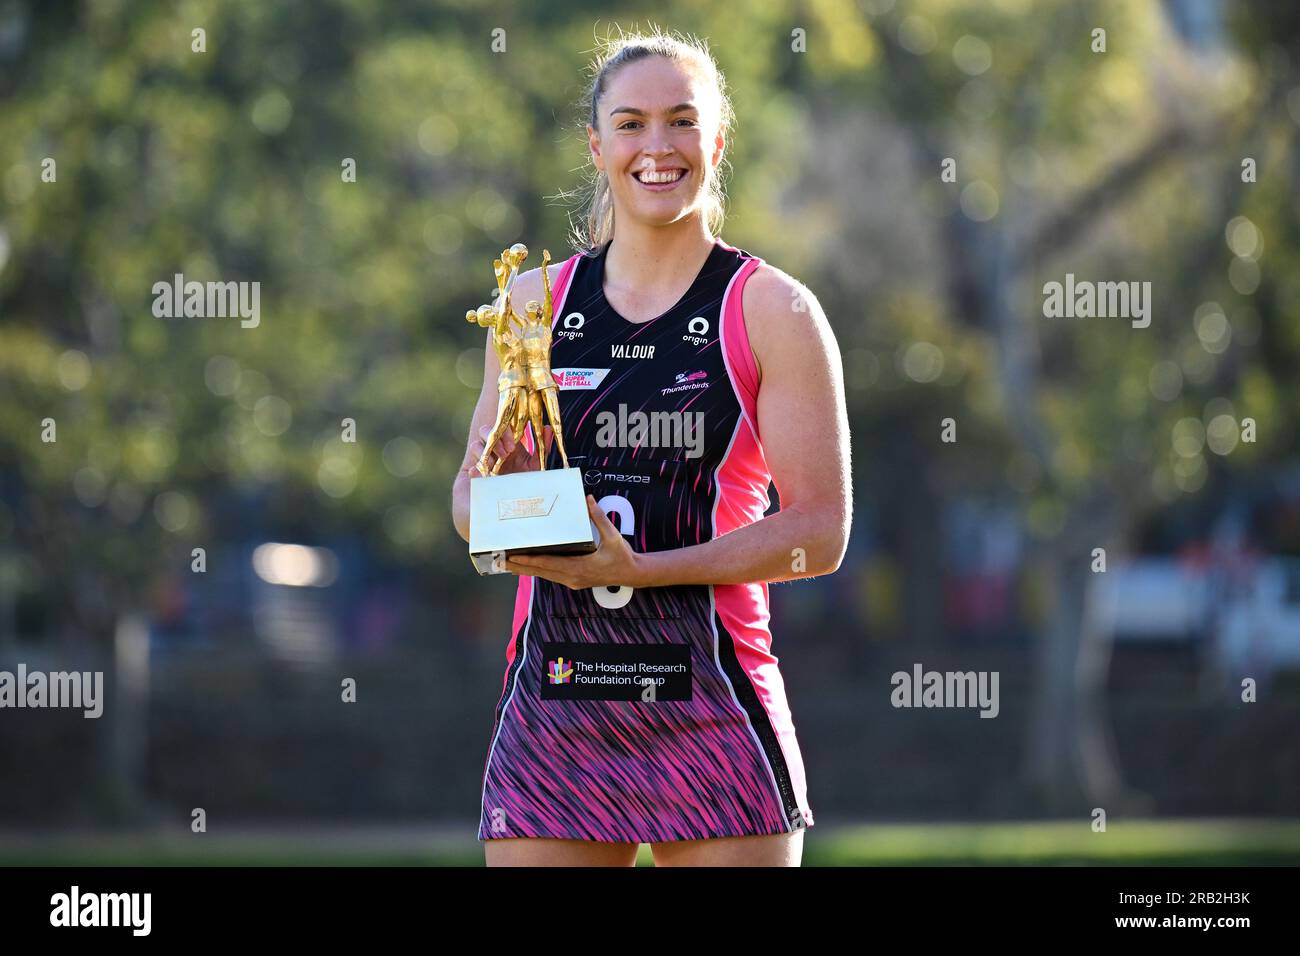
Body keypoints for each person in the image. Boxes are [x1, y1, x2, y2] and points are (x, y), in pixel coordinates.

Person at [450, 28, 851, 867]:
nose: (657, 146)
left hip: (713, 703)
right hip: (556, 704)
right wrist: (527, 515)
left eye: (681, 120)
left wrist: (640, 571)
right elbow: (469, 500)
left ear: (717, 138)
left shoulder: (773, 310)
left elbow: (821, 533)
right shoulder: (532, 307)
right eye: (630, 123)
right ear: (597, 145)